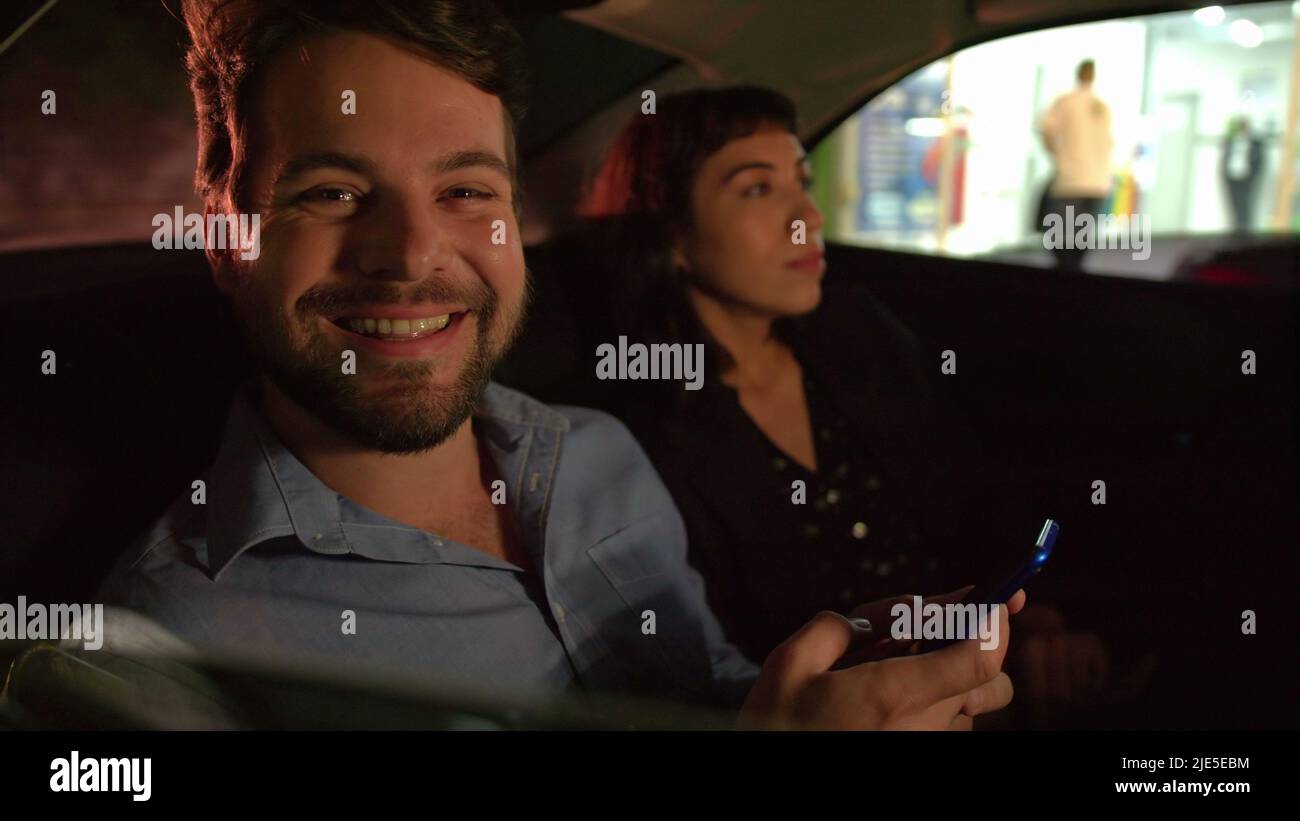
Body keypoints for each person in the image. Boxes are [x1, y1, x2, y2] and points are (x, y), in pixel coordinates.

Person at [96, 0, 1022, 730]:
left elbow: (707, 692)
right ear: (223, 237)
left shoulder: (601, 455)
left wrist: (834, 690)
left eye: (466, 190)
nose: (413, 255)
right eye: (333, 192)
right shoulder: (160, 653)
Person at [575, 86, 1114, 724]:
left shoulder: (857, 336)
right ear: (672, 236)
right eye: (757, 189)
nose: (808, 215)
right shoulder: (637, 429)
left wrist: (1033, 617)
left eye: (802, 183)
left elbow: (974, 496)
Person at [1037, 59, 1113, 272]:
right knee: (1081, 238)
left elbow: (1046, 131)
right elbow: (1109, 143)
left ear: (1077, 74)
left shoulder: (1066, 102)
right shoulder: (1102, 107)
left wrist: (1056, 155)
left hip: (1072, 180)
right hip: (1098, 182)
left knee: (1060, 239)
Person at [1221, 116, 1263, 233]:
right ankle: (1235, 229)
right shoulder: (1231, 140)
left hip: (1246, 179)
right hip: (1232, 178)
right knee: (1233, 205)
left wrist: (1253, 176)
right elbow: (1225, 158)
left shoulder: (1255, 142)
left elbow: (1260, 162)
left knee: (1245, 206)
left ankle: (1244, 231)